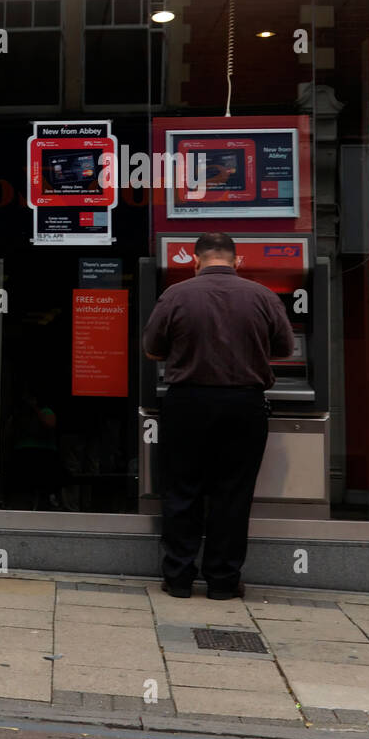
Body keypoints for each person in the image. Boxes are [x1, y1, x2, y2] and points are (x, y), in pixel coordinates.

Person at [142, 232, 295, 601]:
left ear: (194, 261)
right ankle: (223, 582)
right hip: (244, 404)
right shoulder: (263, 296)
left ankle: (178, 579)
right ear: (236, 261)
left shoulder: (175, 295)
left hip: (187, 402)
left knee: (181, 491)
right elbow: (286, 349)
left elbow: (151, 350)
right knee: (233, 494)